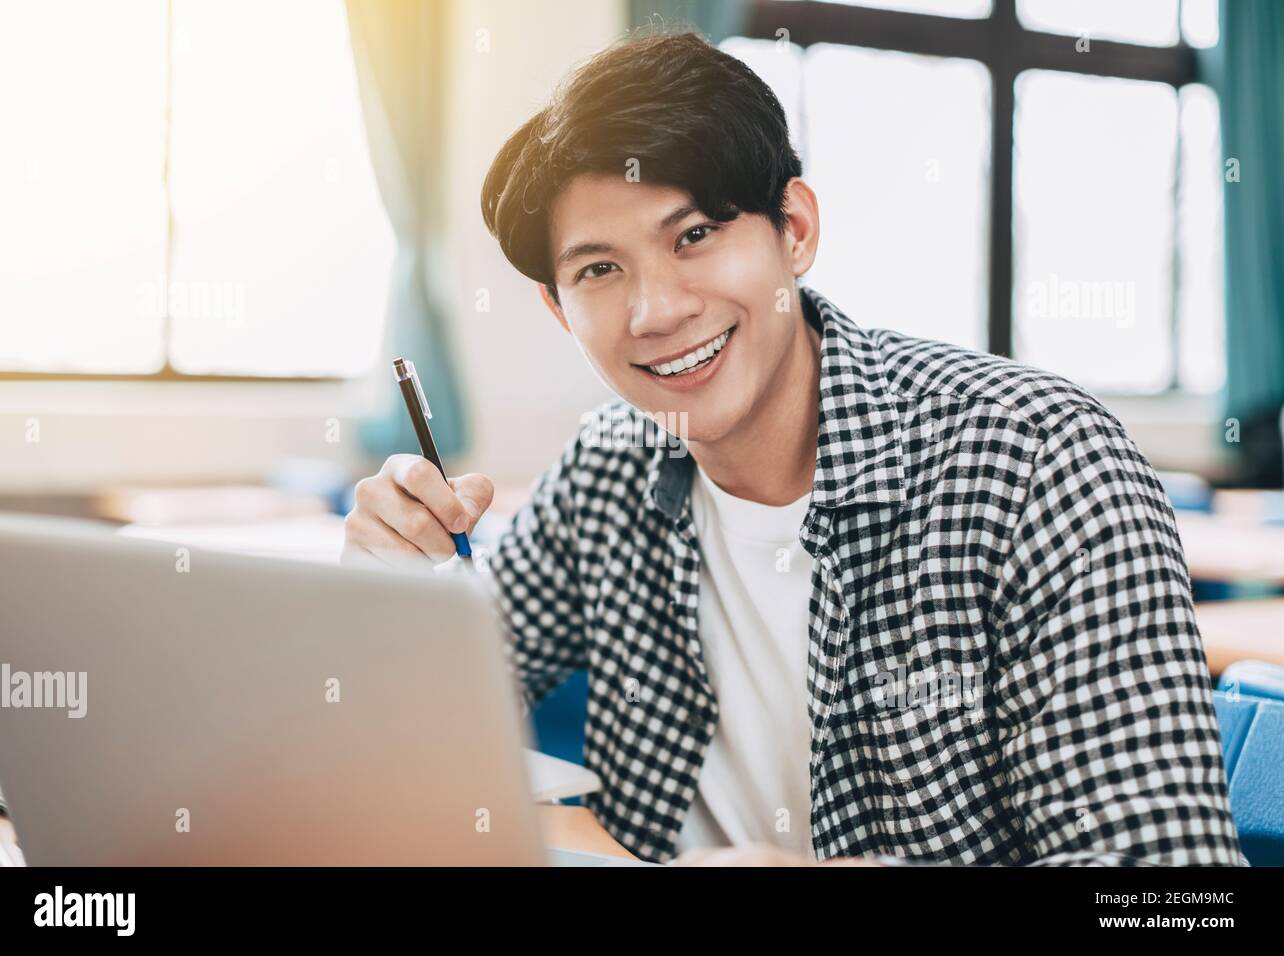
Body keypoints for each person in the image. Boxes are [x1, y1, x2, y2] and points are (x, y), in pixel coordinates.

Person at [343, 29, 1243, 867]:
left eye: (695, 235)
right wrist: (380, 602)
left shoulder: (1041, 464)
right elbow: (416, 735)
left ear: (795, 230)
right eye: (599, 270)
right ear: (558, 308)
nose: (656, 311)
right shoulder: (606, 471)